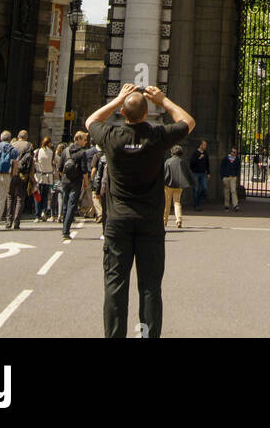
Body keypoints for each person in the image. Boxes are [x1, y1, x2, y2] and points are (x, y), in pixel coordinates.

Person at [87, 82, 195, 339]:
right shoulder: (157, 137)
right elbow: (188, 121)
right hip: (149, 223)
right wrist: (163, 100)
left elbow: (92, 119)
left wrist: (118, 99)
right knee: (149, 287)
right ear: (147, 113)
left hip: (117, 223)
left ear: (123, 114)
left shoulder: (111, 136)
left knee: (115, 286)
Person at [60, 131, 91, 240]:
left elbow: (60, 168)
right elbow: (84, 170)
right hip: (76, 181)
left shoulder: (65, 151)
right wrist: (86, 183)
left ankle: (64, 228)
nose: (85, 142)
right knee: (72, 205)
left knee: (65, 204)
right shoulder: (82, 152)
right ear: (78, 139)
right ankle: (66, 231)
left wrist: (64, 177)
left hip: (65, 180)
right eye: (84, 140)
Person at [5, 130, 34, 229]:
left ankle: (8, 220)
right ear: (26, 137)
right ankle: (16, 221)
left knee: (9, 196)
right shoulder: (29, 146)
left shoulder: (12, 145)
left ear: (18, 136)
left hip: (11, 173)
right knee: (20, 198)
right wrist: (31, 177)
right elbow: (31, 162)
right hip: (23, 174)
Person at [163, 144, 191, 230]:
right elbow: (187, 173)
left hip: (168, 185)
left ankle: (164, 220)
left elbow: (164, 173)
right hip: (178, 186)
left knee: (167, 204)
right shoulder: (182, 162)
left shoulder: (168, 161)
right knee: (177, 203)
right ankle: (179, 220)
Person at [34, 136, 55, 220]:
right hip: (48, 177)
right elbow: (57, 161)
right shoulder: (52, 152)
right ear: (49, 143)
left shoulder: (37, 151)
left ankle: (37, 214)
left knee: (37, 195)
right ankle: (44, 211)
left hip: (39, 176)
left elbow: (34, 162)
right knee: (46, 196)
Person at [190, 139, 210, 210]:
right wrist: (199, 158)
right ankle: (196, 205)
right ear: (200, 145)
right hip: (196, 173)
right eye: (204, 145)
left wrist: (208, 172)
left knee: (204, 188)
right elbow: (191, 164)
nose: (205, 146)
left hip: (203, 173)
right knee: (196, 189)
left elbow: (207, 163)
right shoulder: (195, 153)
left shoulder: (206, 153)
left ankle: (198, 200)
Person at [220, 146, 240, 212]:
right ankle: (226, 205)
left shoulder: (237, 160)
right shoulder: (226, 159)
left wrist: (236, 175)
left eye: (235, 152)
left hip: (233, 177)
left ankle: (235, 205)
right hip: (226, 177)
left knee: (233, 190)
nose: (233, 153)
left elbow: (238, 168)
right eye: (232, 152)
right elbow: (222, 167)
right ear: (230, 152)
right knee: (226, 191)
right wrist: (222, 177)